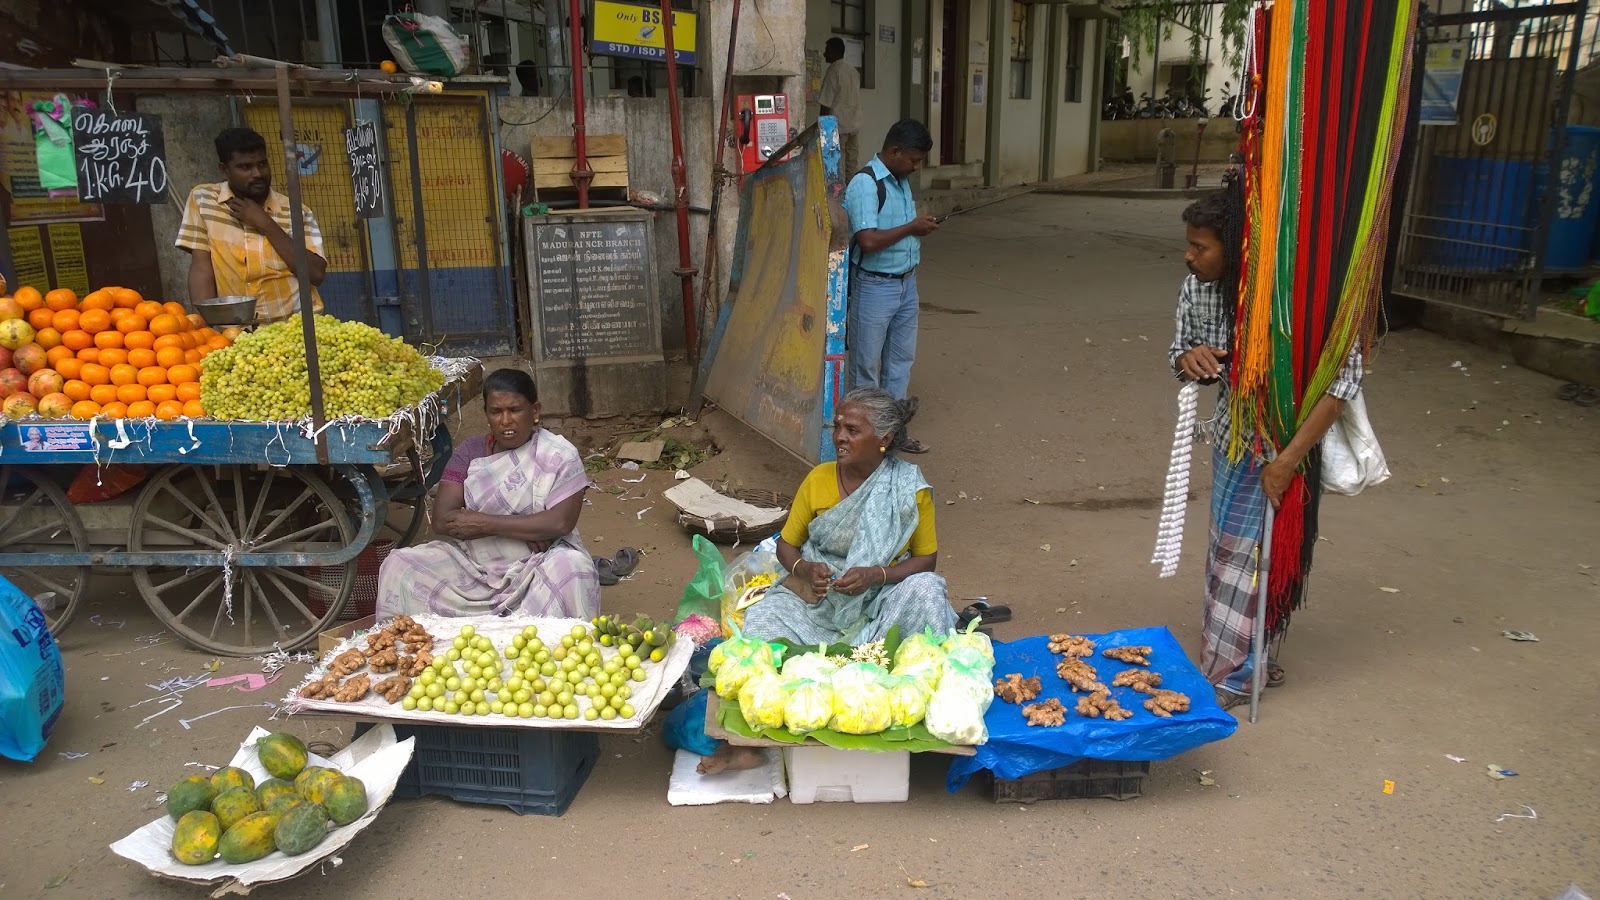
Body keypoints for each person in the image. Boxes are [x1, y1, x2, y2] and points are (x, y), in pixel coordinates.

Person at [1169, 184, 1363, 711]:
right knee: (1229, 551)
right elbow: (1178, 353)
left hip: (1290, 443)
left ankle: (1239, 671)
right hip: (1234, 437)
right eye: (1189, 244)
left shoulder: (1293, 301)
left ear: (1233, 249)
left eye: (1201, 247)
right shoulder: (1196, 289)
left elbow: (1342, 383)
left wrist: (1287, 461)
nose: (1190, 256)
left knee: (1269, 556)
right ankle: (1234, 655)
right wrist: (1191, 360)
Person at [375, 368, 600, 619]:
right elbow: (442, 520)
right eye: (496, 411)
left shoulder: (558, 454)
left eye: (515, 410)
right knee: (400, 564)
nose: (505, 420)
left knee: (573, 568)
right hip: (475, 564)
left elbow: (560, 522)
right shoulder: (470, 451)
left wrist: (484, 522)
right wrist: (529, 527)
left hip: (540, 561)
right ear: (487, 413)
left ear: (534, 411)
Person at [741, 388, 956, 645]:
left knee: (927, 589)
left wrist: (877, 575)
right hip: (819, 602)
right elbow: (786, 545)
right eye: (837, 427)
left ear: (883, 438)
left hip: (883, 599)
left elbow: (926, 560)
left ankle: (872, 652)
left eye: (852, 431)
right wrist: (805, 569)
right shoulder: (818, 479)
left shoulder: (908, 487)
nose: (839, 438)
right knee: (763, 617)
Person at [844, 119, 938, 454]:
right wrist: (913, 227)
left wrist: (915, 228)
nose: (915, 167)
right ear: (894, 151)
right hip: (874, 286)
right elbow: (867, 241)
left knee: (900, 360)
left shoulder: (899, 181)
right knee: (865, 367)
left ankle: (893, 434)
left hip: (905, 284)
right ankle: (863, 441)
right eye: (913, 160)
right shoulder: (865, 184)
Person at [177, 127, 326, 324]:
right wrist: (208, 328)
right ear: (225, 170)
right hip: (237, 330)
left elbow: (316, 273)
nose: (257, 173)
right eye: (245, 167)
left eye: (262, 164)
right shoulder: (204, 200)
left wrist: (265, 223)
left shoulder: (297, 212)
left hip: (295, 327)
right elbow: (202, 268)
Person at [818, 37, 862, 174]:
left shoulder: (833, 71)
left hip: (838, 125)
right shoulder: (853, 71)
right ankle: (852, 191)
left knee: (837, 164)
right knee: (851, 163)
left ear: (834, 51)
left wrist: (822, 128)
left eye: (827, 50)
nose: (824, 54)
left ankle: (841, 194)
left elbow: (826, 102)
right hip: (854, 123)